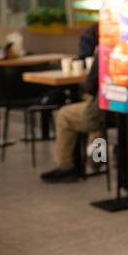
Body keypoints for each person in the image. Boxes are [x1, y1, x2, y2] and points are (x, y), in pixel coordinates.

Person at [38, 34, 102, 183]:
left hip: (104, 108)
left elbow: (91, 85)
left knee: (66, 115)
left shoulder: (104, 46)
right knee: (96, 113)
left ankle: (66, 166)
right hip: (124, 105)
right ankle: (98, 159)